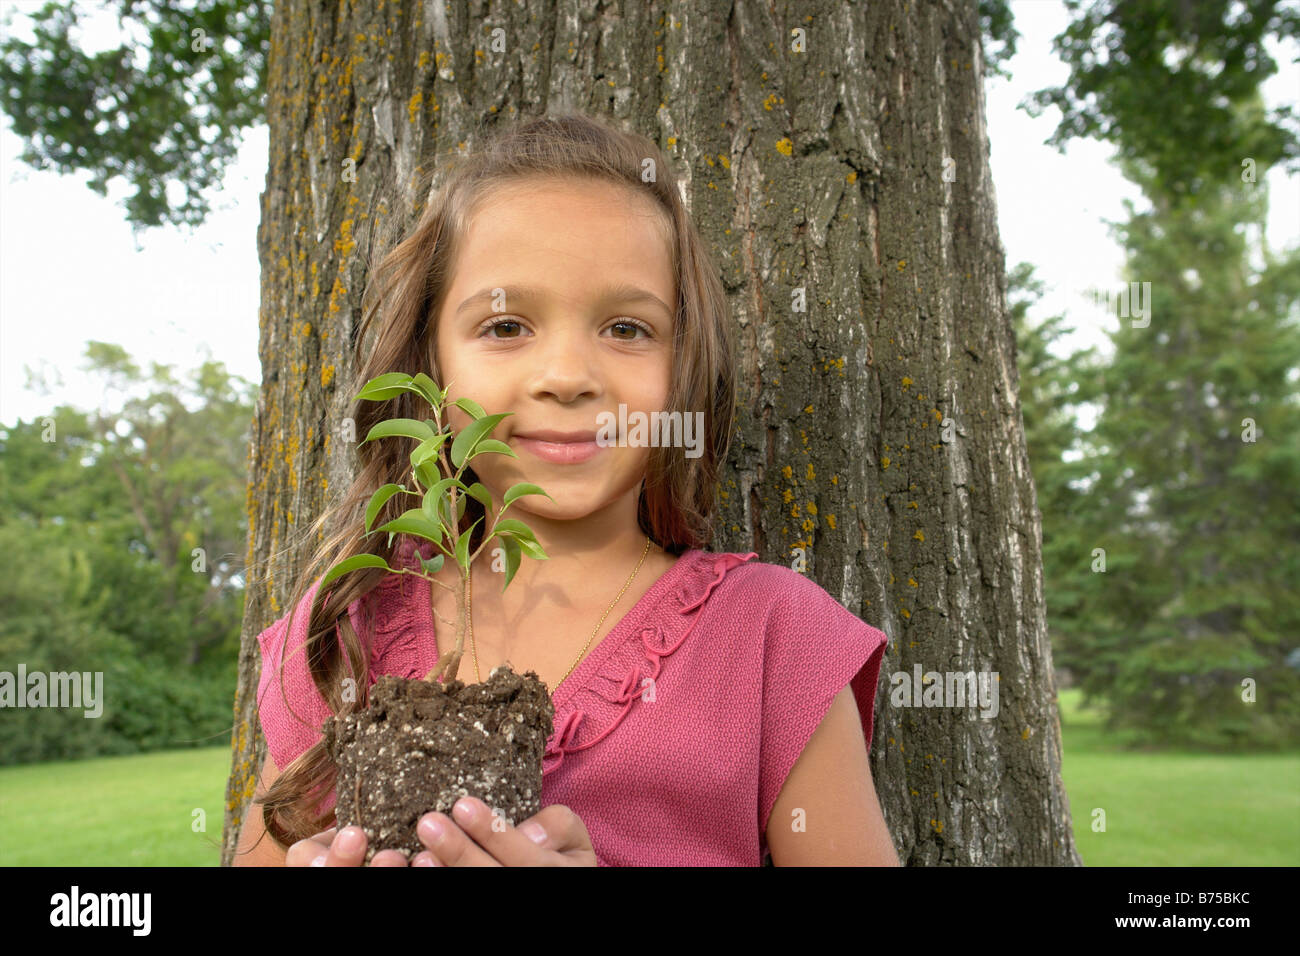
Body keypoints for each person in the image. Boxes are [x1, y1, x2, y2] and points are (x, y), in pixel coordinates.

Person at [235, 113, 896, 867]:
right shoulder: (346, 630)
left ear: (687, 365)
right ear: (432, 364)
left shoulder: (773, 636)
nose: (568, 377)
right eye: (507, 325)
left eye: (626, 328)